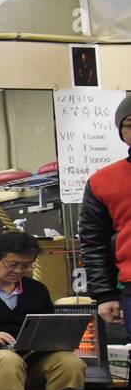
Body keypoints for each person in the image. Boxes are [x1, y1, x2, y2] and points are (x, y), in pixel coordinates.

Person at [0, 231, 86, 390]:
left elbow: (48, 326)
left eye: (26, 266)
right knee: (8, 361)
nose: (19, 271)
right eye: (13, 264)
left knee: (71, 363)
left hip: (28, 356)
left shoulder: (37, 289)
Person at [79, 92, 131, 329]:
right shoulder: (102, 182)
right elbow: (94, 241)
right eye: (129, 125)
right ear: (121, 132)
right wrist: (105, 294)